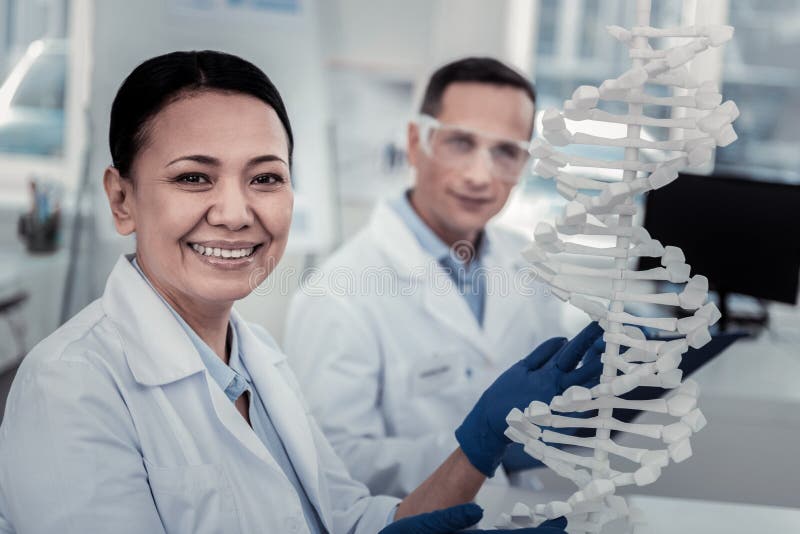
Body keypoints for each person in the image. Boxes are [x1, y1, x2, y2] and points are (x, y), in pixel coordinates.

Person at [0, 50, 601, 534]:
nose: (235, 213)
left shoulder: (259, 358)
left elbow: (351, 520)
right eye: (193, 177)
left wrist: (478, 449)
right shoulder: (70, 386)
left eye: (265, 178)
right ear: (121, 198)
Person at [285, 57, 570, 497]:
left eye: (506, 152)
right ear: (417, 143)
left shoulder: (529, 265)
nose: (480, 175)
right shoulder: (337, 293)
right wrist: (482, 449)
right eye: (460, 142)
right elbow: (333, 464)